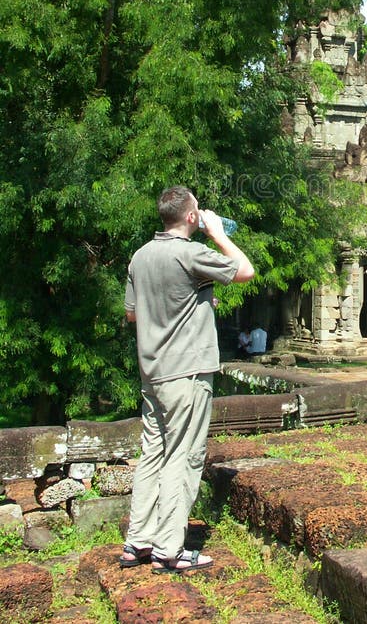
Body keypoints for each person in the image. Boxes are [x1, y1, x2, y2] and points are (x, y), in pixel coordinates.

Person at [119, 186, 254, 574]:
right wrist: (219, 233)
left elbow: (133, 314)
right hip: (187, 371)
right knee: (185, 455)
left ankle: (137, 542)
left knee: (153, 452)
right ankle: (168, 550)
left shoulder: (141, 256)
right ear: (192, 217)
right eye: (200, 213)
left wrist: (190, 301)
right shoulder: (190, 252)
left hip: (153, 371)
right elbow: (245, 271)